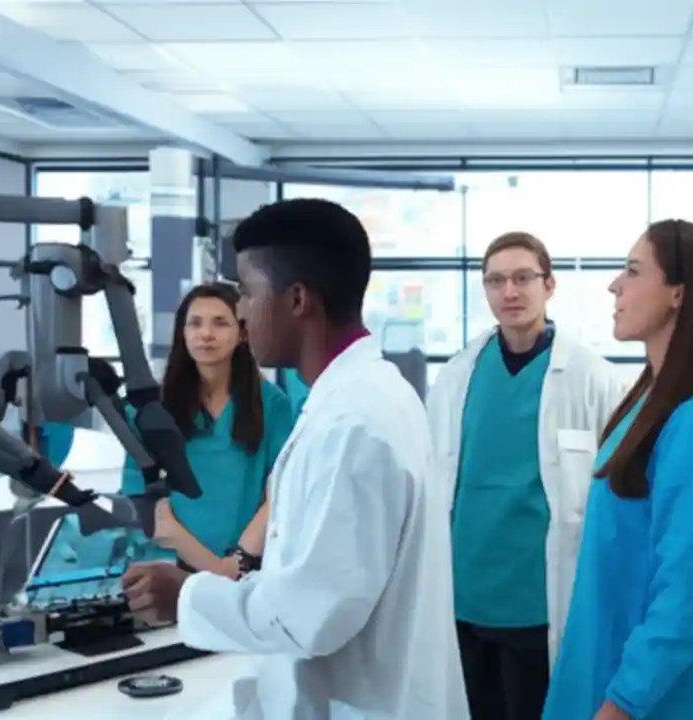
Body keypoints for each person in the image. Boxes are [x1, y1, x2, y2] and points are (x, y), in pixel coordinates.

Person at [120, 198, 469, 719]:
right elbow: (309, 579)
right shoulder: (357, 398)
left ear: (297, 299)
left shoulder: (353, 423)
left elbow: (312, 616)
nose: (239, 312)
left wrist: (188, 595)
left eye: (247, 292)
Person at [543, 219, 693, 720]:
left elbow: (690, 594)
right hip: (602, 678)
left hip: (643, 701)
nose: (615, 285)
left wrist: (622, 704)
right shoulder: (648, 401)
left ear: (678, 293)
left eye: (634, 271)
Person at [426, 231, 626, 719]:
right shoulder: (457, 376)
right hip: (465, 594)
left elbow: (618, 488)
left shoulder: (591, 376)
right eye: (495, 281)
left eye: (522, 278)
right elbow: (432, 480)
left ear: (549, 285)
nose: (509, 292)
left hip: (542, 598)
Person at [121, 281, 294, 578]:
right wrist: (215, 569)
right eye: (195, 323)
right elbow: (146, 504)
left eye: (220, 323)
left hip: (251, 568)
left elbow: (280, 491)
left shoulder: (272, 404)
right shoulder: (151, 410)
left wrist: (238, 562)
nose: (206, 334)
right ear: (183, 333)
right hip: (171, 569)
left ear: (242, 333)